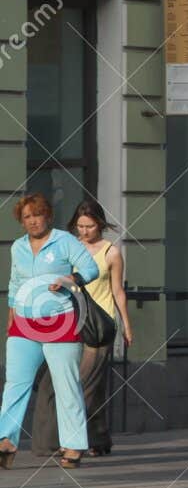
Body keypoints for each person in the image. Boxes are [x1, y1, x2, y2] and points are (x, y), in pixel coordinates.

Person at [0, 194, 99, 470]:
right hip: (23, 322)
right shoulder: (18, 247)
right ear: (22, 221)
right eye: (27, 217)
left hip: (60, 321)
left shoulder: (64, 241)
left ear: (48, 216)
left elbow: (91, 268)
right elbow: (15, 280)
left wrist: (72, 280)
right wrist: (11, 314)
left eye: (37, 215)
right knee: (15, 384)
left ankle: (74, 445)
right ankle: (6, 441)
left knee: (65, 384)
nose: (32, 221)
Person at [32, 200, 130, 457]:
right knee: (91, 387)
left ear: (100, 223)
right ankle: (98, 439)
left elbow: (118, 291)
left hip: (100, 325)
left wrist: (126, 326)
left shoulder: (111, 253)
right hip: (71, 322)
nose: (84, 231)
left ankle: (72, 441)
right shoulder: (68, 249)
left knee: (83, 384)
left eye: (90, 226)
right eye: (80, 226)